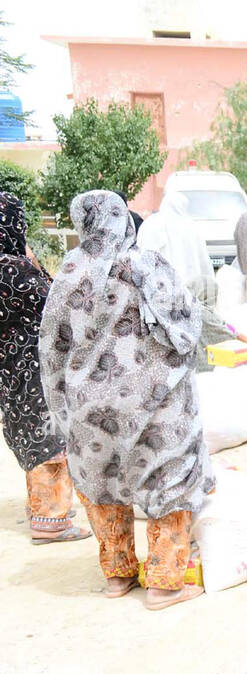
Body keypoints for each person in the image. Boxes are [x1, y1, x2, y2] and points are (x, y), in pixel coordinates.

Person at [39, 190, 213, 609]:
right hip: (153, 402)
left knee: (102, 485)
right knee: (169, 480)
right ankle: (165, 583)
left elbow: (50, 349)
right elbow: (183, 324)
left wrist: (63, 408)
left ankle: (118, 576)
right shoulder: (145, 264)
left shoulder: (67, 273)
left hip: (88, 408)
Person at [0, 190, 91, 545]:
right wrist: (36, 265)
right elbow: (55, 303)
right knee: (50, 443)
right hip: (33, 374)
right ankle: (50, 520)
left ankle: (39, 506)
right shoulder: (15, 270)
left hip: (8, 377)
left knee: (28, 437)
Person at [136, 191, 215, 307]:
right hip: (190, 291)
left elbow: (142, 255)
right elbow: (204, 262)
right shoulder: (192, 227)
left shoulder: (151, 223)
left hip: (159, 291)